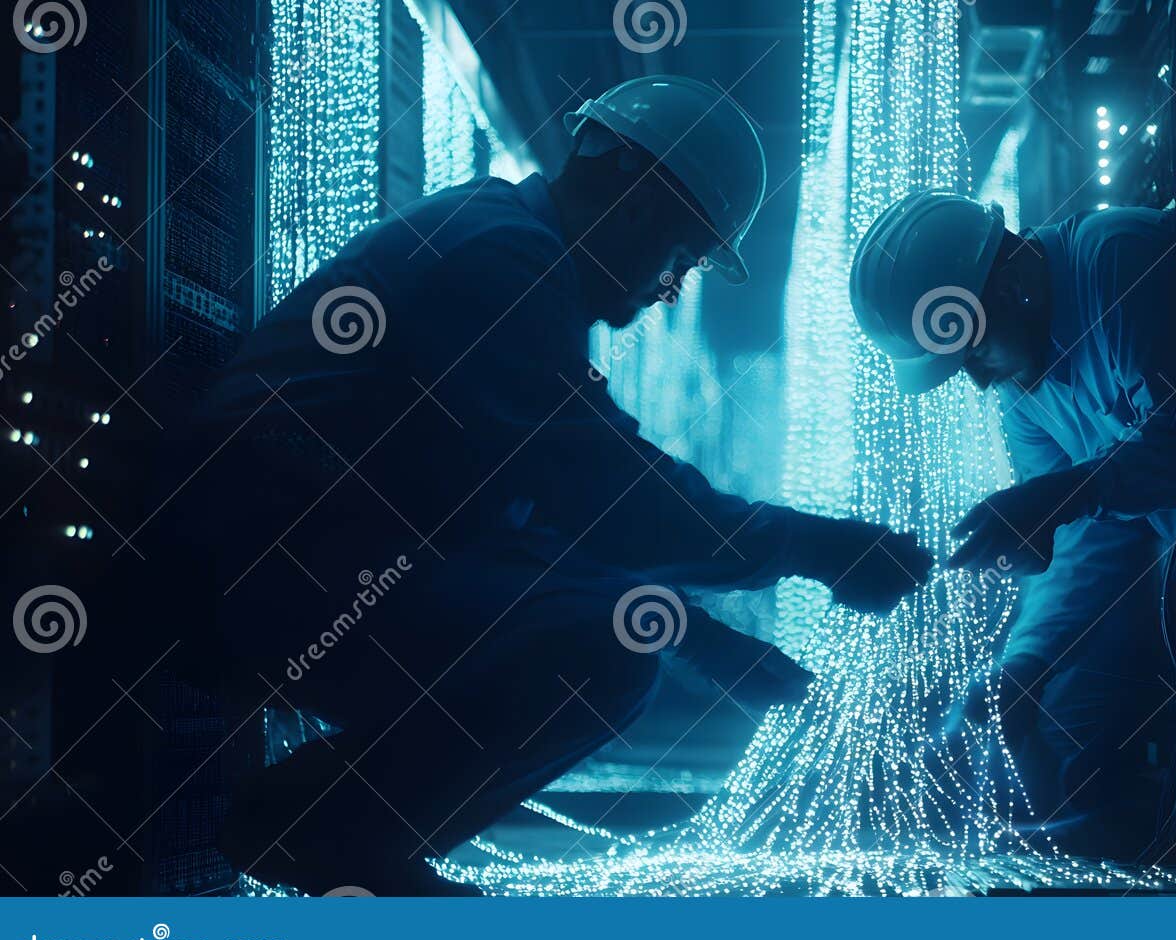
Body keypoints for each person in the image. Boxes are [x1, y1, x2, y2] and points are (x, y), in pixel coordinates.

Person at [130, 76, 933, 895]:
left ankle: (335, 830)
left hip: (295, 555)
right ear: (639, 205)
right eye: (683, 256)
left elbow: (536, 519)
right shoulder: (499, 260)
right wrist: (811, 545)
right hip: (267, 567)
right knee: (609, 649)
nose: (670, 289)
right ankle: (320, 832)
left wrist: (698, 631)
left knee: (624, 624)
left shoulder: (511, 252)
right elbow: (599, 489)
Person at [849, 191, 1176, 861]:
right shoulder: (1026, 392)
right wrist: (1023, 665)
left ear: (1010, 285)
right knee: (1061, 716)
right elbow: (1085, 538)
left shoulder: (1113, 262)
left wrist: (1065, 495)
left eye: (971, 353)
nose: (978, 382)